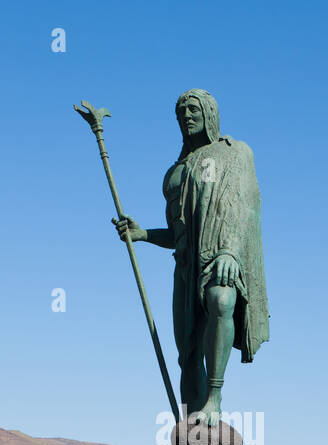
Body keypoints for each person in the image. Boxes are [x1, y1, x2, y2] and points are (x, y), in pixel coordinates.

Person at [113, 89, 269, 427]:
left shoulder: (234, 153)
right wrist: (143, 235)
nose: (186, 116)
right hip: (186, 265)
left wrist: (230, 251)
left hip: (220, 253)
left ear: (210, 113)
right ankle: (190, 428)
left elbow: (241, 206)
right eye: (180, 111)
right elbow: (179, 233)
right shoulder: (176, 172)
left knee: (221, 299)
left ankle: (214, 399)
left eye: (193, 108)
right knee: (186, 352)